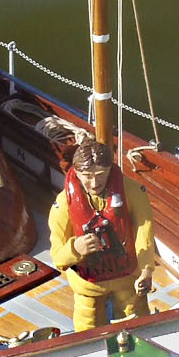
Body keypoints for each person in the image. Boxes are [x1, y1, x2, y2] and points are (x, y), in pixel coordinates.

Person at [48, 140, 155, 333]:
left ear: (110, 170)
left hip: (127, 277)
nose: (94, 183)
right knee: (87, 329)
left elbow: (144, 232)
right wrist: (75, 249)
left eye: (100, 175)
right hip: (88, 285)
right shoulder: (64, 203)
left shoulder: (133, 192)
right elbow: (57, 257)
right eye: (87, 176)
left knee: (137, 323)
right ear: (77, 173)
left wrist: (146, 270)